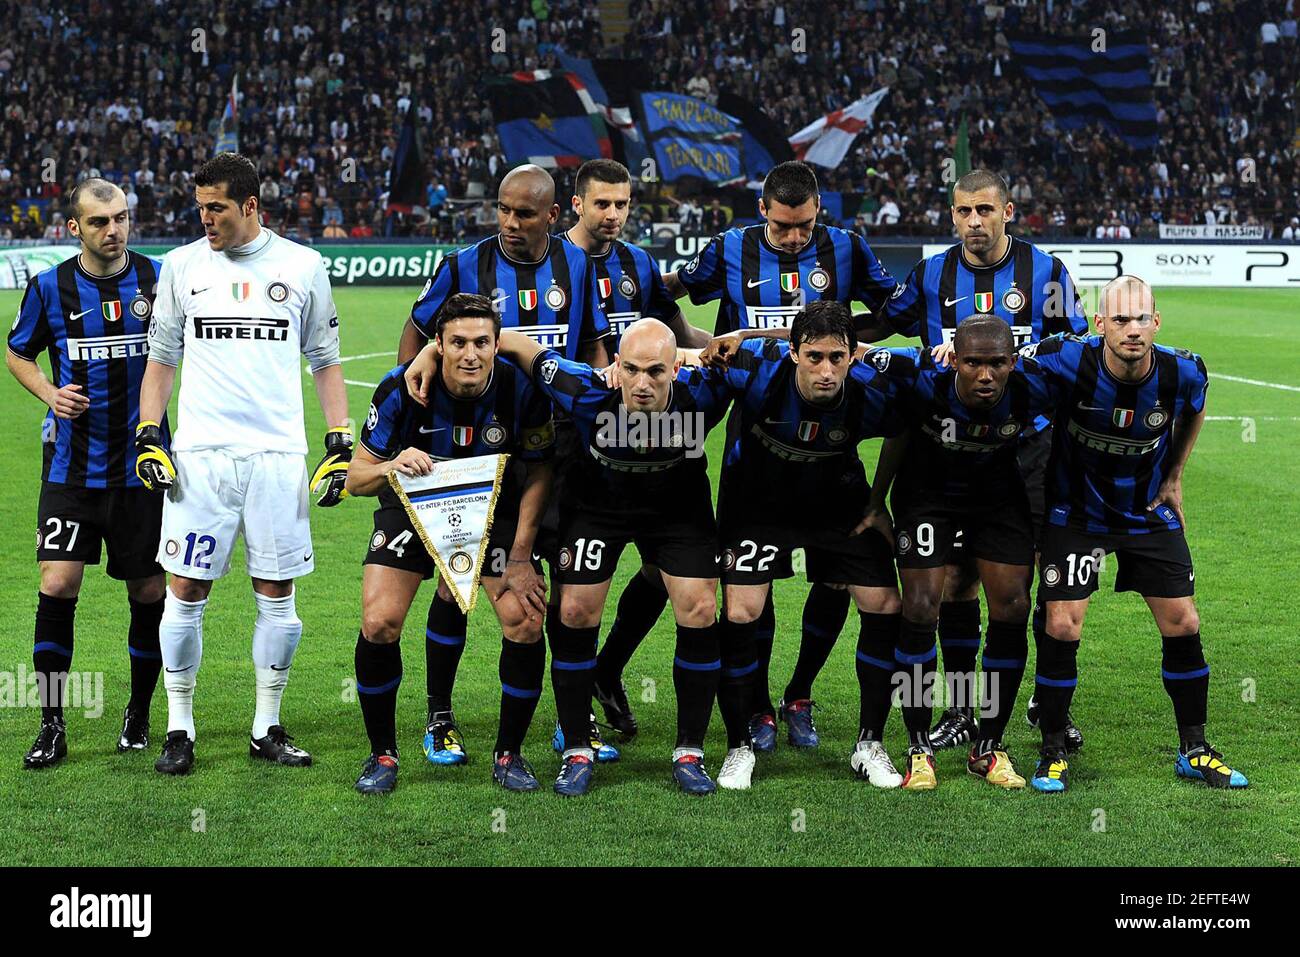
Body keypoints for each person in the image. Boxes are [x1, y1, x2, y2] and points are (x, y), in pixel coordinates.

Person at [409, 318, 730, 795]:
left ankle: (690, 752)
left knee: (701, 609)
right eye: (633, 370)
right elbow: (519, 345)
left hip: (676, 512)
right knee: (575, 611)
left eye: (657, 372)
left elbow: (790, 349)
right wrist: (431, 352)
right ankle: (578, 746)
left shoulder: (709, 389)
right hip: (598, 509)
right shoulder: (583, 388)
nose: (643, 385)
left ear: (676, 371)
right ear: (616, 367)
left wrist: (733, 342)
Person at [652, 160, 901, 755]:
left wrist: (841, 333)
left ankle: (800, 694)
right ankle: (758, 706)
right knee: (749, 587)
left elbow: (898, 311)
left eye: (806, 226)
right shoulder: (728, 248)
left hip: (831, 431)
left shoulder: (849, 249)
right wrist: (696, 345)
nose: (796, 238)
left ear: (820, 214)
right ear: (762, 210)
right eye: (785, 226)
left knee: (839, 578)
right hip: (758, 430)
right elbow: (663, 296)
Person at [137, 152, 351, 775]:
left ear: (251, 205)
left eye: (218, 209)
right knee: (185, 590)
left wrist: (339, 440)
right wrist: (150, 431)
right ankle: (180, 727)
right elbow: (162, 359)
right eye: (200, 207)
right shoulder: (179, 267)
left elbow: (326, 359)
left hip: (278, 457)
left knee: (277, 596)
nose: (206, 219)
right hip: (201, 457)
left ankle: (266, 726)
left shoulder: (304, 266)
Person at [391, 164, 611, 767]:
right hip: (472, 452)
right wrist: (417, 384)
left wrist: (594, 415)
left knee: (569, 589)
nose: (511, 224)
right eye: (504, 211)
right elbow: (416, 339)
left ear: (554, 216)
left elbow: (592, 349)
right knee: (453, 580)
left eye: (525, 214)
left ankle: (574, 720)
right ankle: (440, 715)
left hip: (558, 453)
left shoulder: (580, 267)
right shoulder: (464, 265)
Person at [872, 168, 1090, 753]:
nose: (974, 222)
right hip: (947, 451)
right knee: (957, 582)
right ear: (952, 215)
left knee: (1032, 579)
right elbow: (883, 327)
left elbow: (1077, 347)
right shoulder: (928, 274)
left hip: (1029, 448)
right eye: (964, 212)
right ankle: (964, 711)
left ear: (1008, 212)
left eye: (985, 212)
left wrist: (1023, 354)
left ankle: (1049, 702)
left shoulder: (1045, 273)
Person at [1023, 275, 1246, 792]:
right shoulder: (1064, 358)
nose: (1133, 330)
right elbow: (1005, 375)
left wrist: (1175, 475)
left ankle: (1194, 748)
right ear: (1100, 324)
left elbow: (1194, 412)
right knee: (1062, 626)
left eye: (1142, 318)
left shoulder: (1184, 370)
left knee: (1183, 620)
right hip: (1075, 513)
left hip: (1146, 511)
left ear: (1157, 321)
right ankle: (1053, 746)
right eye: (1120, 320)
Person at [346, 293, 555, 794]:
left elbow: (543, 470)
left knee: (526, 622)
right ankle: (383, 755)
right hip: (412, 503)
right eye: (457, 342)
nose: (470, 354)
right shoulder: (401, 389)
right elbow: (355, 479)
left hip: (493, 508)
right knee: (379, 623)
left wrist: (523, 555)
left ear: (497, 345)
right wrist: (391, 465)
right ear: (437, 345)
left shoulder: (520, 389)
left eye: (482, 342)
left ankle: (509, 754)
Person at [701, 301, 905, 790]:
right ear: (793, 353)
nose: (826, 370)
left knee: (884, 604)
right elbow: (688, 363)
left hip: (837, 502)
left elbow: (902, 433)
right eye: (814, 357)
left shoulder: (873, 390)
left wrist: (877, 503)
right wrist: (734, 337)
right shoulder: (755, 367)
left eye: (838, 357)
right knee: (741, 611)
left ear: (854, 356)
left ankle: (869, 744)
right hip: (758, 503)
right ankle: (738, 746)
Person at [7, 178, 167, 768]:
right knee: (57, 585)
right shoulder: (50, 288)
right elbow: (18, 351)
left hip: (143, 471)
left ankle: (140, 713)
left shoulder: (159, 280)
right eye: (99, 221)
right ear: (74, 228)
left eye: (121, 218)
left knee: (148, 590)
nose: (114, 230)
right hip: (72, 469)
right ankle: (52, 724)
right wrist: (50, 393)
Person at [864, 315, 1061, 789]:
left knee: (1012, 608)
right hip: (927, 497)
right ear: (953, 358)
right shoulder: (919, 375)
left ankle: (988, 744)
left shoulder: (1034, 386)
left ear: (1014, 361)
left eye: (997, 363)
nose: (986, 375)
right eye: (973, 363)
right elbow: (842, 350)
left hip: (997, 500)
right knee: (919, 608)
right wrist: (874, 500)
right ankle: (918, 746)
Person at [560, 158, 710, 742]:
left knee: (659, 564)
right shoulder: (553, 264)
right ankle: (572, 713)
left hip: (646, 438)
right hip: (572, 439)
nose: (614, 214)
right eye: (603, 204)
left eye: (623, 204)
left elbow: (679, 331)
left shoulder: (637, 264)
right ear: (578, 204)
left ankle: (605, 670)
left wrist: (725, 351)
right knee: (570, 583)